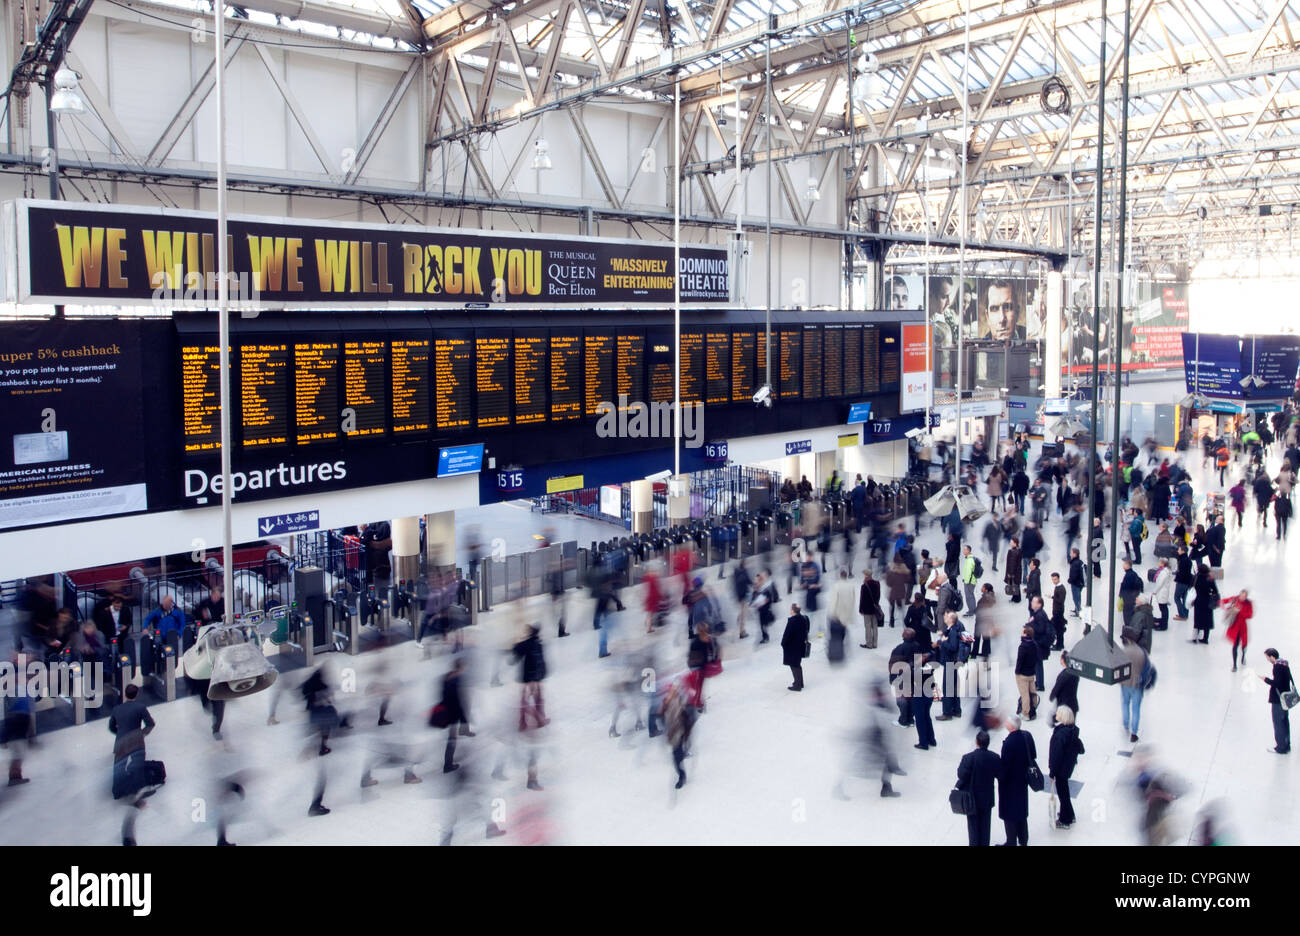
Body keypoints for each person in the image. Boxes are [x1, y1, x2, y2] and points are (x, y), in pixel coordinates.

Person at [109, 683, 156, 846]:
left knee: (119, 766)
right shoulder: (141, 707)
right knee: (137, 766)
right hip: (136, 740)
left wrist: (120, 733)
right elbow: (151, 723)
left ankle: (117, 791)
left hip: (121, 741)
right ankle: (137, 792)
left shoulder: (117, 709)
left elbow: (111, 727)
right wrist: (142, 733)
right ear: (136, 694)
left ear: (125, 694)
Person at [956, 729, 1001, 846]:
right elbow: (1000, 774)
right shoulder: (994, 757)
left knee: (973, 826)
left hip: (972, 798)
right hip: (987, 798)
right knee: (985, 825)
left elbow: (961, 775)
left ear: (976, 742)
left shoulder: (968, 758)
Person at [998, 714, 1036, 846]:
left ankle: (1011, 841)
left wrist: (999, 776)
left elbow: (1005, 767)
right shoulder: (1027, 736)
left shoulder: (1008, 743)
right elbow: (1033, 755)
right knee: (1021, 810)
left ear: (1011, 726)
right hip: (1023, 780)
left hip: (1010, 784)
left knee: (1009, 813)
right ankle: (1023, 838)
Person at [1048, 706, 1085, 829]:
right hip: (1067, 767)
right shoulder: (1072, 730)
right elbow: (1080, 749)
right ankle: (1070, 814)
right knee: (1064, 792)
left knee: (1063, 794)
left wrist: (1052, 773)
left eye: (1058, 713)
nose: (1056, 715)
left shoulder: (1061, 734)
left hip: (1060, 769)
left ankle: (1065, 819)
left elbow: (1056, 755)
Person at [437, 655, 472, 774]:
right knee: (451, 740)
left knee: (451, 738)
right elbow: (458, 701)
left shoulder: (446, 677)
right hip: (453, 713)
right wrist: (463, 719)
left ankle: (448, 763)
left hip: (446, 710)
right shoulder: (457, 680)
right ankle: (448, 765)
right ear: (461, 668)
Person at [1261, 649, 1293, 755]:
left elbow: (1277, 683)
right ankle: (1286, 744)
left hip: (1278, 700)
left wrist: (1266, 680)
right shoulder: (1284, 664)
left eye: (1267, 657)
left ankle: (1280, 747)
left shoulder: (1277, 667)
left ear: (1272, 657)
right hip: (1285, 698)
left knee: (1278, 723)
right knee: (1284, 722)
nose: (1267, 659)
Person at [1121, 630, 1148, 743]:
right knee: (1136, 708)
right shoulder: (1141, 653)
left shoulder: (1124, 652)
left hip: (1125, 683)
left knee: (1125, 703)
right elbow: (1146, 669)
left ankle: (1126, 724)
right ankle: (1134, 733)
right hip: (1137, 684)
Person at [781, 602, 811, 691]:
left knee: (794, 665)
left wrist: (783, 643)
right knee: (797, 664)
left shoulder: (792, 621)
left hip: (792, 647)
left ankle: (797, 685)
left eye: (791, 609)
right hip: (800, 646)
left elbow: (787, 635)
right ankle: (799, 682)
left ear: (793, 611)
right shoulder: (804, 618)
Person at [1223, 589, 1253, 672]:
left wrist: (1239, 611)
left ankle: (1243, 655)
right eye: (1241, 595)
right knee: (1235, 645)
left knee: (1244, 645)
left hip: (1243, 627)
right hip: (1235, 626)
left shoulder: (1248, 603)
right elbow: (1225, 601)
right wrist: (1221, 603)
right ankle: (1234, 665)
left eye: (1244, 596)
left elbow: (1250, 615)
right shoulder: (1235, 599)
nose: (1242, 597)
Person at [1014, 624, 1039, 720]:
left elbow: (1019, 660)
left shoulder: (1023, 647)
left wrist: (1017, 671)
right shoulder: (1034, 645)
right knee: (1032, 692)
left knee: (1024, 694)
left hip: (1022, 674)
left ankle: (1026, 713)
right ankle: (1034, 709)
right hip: (1031, 673)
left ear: (1025, 634)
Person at [1191, 564, 1219, 644]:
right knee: (1207, 620)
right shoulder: (1210, 579)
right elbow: (1215, 591)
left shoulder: (1196, 578)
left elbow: (1192, 585)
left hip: (1198, 600)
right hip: (1207, 601)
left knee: (1198, 619)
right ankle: (1205, 638)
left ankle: (1195, 637)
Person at [1049, 652, 1080, 720]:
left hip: (1064, 707)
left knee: (1063, 726)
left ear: (1063, 660)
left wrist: (1051, 697)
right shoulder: (1075, 673)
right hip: (1073, 705)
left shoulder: (1064, 675)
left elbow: (1057, 688)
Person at [858, 568, 882, 649]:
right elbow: (878, 596)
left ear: (866, 576)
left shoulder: (864, 586)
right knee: (875, 626)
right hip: (875, 609)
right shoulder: (877, 584)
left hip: (867, 609)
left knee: (868, 627)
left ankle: (869, 644)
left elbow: (862, 599)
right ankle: (875, 643)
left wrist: (861, 610)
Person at [1119, 559, 1143, 629]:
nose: (1123, 565)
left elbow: (1125, 587)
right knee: (1130, 612)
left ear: (1127, 565)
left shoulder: (1128, 576)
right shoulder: (1133, 574)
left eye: (1124, 564)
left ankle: (1128, 628)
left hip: (1128, 598)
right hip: (1132, 596)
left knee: (1127, 613)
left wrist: (1122, 596)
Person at [1048, 572, 1067, 650]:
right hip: (1057, 610)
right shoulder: (1057, 587)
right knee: (1058, 628)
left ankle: (1059, 645)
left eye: (1055, 579)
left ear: (1058, 578)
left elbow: (1060, 600)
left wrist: (1052, 597)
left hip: (1058, 611)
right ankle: (1059, 643)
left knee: (1059, 629)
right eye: (1052, 579)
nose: (1054, 581)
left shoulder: (1061, 588)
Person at [959, 545, 978, 619]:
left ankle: (971, 611)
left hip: (969, 582)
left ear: (968, 551)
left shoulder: (970, 560)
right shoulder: (969, 558)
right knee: (971, 596)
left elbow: (969, 571)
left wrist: (966, 581)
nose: (963, 551)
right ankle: (973, 610)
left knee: (969, 597)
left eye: (964, 550)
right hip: (971, 581)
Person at [1067, 547, 1085, 617]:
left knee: (1076, 598)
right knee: (1078, 597)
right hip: (1080, 583)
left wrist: (1069, 580)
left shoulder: (1074, 563)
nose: (1070, 554)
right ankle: (1076, 609)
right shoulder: (1080, 562)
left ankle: (1078, 612)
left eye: (1071, 553)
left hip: (1076, 584)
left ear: (1075, 554)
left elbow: (1074, 575)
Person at [1004, 537, 1023, 603]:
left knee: (1015, 585)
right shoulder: (1018, 550)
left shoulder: (1013, 552)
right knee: (1016, 584)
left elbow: (1012, 563)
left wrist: (1010, 573)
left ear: (1015, 543)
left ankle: (1016, 599)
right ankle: (1016, 598)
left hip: (1014, 572)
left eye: (1011, 542)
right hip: (1018, 571)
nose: (1010, 543)